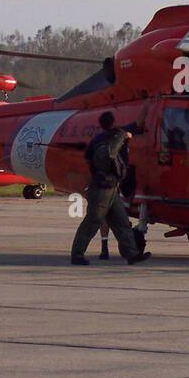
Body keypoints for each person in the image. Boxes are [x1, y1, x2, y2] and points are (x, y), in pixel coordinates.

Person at [70, 111, 152, 266]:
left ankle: (132, 254)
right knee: (93, 221)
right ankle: (77, 254)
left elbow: (88, 158)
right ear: (113, 122)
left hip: (110, 188)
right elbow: (111, 153)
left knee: (121, 222)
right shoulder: (117, 137)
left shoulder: (97, 139)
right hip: (103, 188)